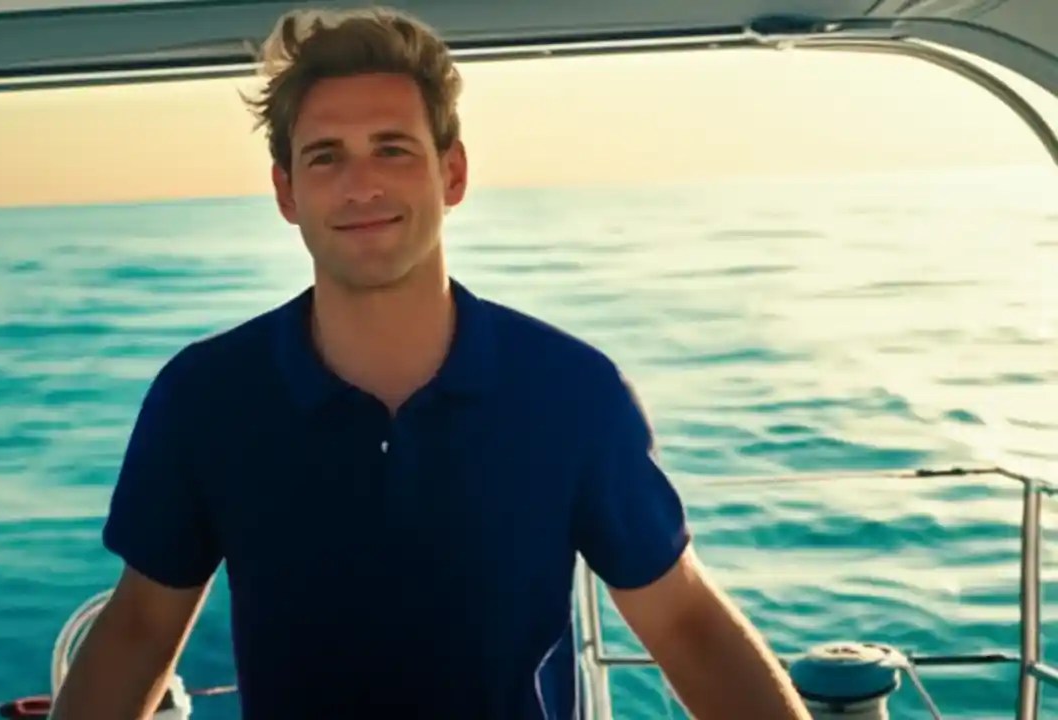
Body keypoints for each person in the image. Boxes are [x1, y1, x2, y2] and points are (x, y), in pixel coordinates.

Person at [50, 6, 811, 720]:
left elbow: (684, 622)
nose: (362, 184)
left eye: (392, 148)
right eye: (325, 157)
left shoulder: (570, 392)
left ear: (451, 174)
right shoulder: (206, 397)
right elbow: (141, 628)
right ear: (286, 192)